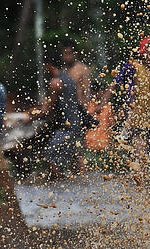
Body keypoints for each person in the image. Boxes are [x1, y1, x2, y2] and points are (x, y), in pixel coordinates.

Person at [28, 51, 85, 180]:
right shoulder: (69, 79)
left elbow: (49, 110)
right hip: (77, 123)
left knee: (49, 155)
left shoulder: (55, 82)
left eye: (45, 66)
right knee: (75, 157)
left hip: (67, 126)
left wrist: (31, 117)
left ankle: (59, 185)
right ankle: (81, 185)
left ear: (50, 66)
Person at [61, 38, 91, 106]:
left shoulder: (82, 69)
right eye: (65, 53)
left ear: (75, 54)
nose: (67, 56)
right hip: (65, 107)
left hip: (79, 107)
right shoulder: (63, 70)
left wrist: (85, 107)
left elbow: (87, 91)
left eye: (69, 53)